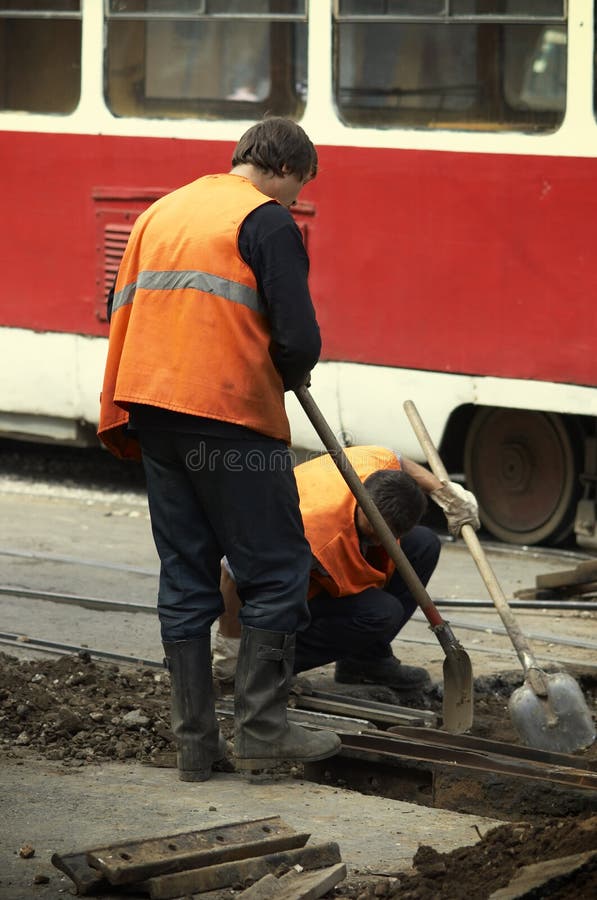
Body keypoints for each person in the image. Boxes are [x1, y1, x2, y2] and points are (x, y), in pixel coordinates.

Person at [97, 117, 341, 780]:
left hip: (152, 412)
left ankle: (195, 746)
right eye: (296, 190)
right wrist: (292, 368)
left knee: (185, 575)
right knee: (276, 569)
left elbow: (117, 304)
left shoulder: (161, 213)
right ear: (287, 170)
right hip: (229, 420)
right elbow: (297, 338)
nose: (291, 202)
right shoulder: (265, 221)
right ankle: (263, 731)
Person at [213, 445, 480, 691]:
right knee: (381, 613)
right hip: (278, 596)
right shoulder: (312, 533)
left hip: (316, 568)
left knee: (424, 544)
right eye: (373, 531)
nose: (378, 541)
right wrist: (231, 646)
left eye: (386, 535)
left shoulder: (376, 466)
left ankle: (365, 660)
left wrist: (443, 492)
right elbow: (231, 570)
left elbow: (398, 460)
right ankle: (266, 667)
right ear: (365, 502)